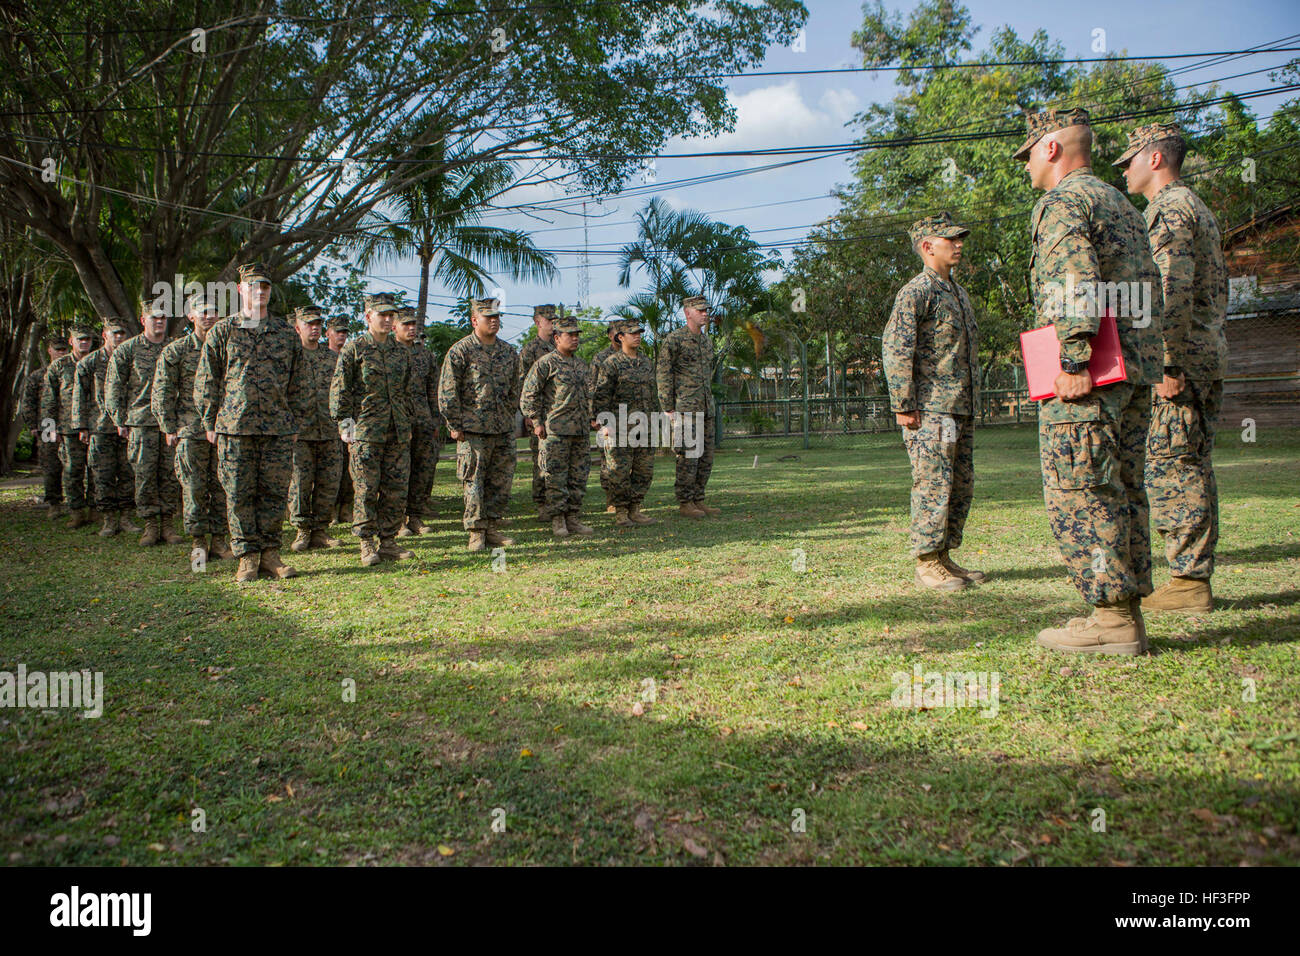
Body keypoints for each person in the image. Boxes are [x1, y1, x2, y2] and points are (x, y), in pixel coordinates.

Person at [1018, 108, 1164, 656]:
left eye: (1030, 152)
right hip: (1133, 371)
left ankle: (1110, 617)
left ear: (1051, 148)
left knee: (1082, 490)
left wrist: (1074, 361)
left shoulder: (1063, 203)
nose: (1027, 165)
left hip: (1093, 375)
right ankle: (1124, 612)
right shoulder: (1121, 203)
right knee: (1123, 487)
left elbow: (1074, 281)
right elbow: (1147, 292)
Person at [1116, 122, 1229, 615]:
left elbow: (1171, 289)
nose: (1123, 168)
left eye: (1130, 158)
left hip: (1179, 361)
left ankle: (1187, 582)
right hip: (1200, 355)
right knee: (1190, 462)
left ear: (1155, 158)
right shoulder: (1194, 206)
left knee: (1173, 464)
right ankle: (1190, 577)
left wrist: (1164, 360)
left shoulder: (1169, 210)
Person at [883, 212, 984, 591]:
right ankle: (926, 561)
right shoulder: (916, 292)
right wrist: (903, 403)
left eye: (960, 238)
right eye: (950, 239)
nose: (959, 244)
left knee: (960, 484)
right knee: (933, 483)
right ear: (928, 247)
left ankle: (943, 554)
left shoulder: (957, 292)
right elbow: (896, 348)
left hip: (960, 404)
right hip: (931, 408)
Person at [195, 262, 311, 583]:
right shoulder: (223, 331)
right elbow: (207, 380)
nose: (260, 292)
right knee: (238, 493)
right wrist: (209, 421)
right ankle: (247, 556)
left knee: (274, 492)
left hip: (277, 428)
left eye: (265, 287)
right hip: (235, 428)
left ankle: (271, 555)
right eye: (254, 286)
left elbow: (300, 382)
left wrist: (295, 421)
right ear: (240, 291)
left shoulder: (286, 334)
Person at [329, 293, 413, 566]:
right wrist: (345, 425)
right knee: (366, 489)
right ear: (368, 317)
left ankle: (388, 541)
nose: (388, 320)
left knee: (395, 489)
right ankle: (366, 542)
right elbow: (341, 389)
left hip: (397, 430)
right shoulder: (354, 349)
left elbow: (406, 390)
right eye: (382, 315)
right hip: (365, 431)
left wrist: (407, 421)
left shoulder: (401, 351)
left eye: (391, 316)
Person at [437, 297, 521, 552]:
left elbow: (515, 389)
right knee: (474, 481)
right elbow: (447, 392)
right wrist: (455, 423)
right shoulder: (461, 351)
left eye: (497, 317)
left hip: (502, 428)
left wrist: (508, 415)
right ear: (475, 320)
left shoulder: (508, 352)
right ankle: (476, 532)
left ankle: (492, 528)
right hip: (472, 430)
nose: (494, 321)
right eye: (488, 317)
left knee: (500, 481)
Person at [153, 293, 231, 562]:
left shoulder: (228, 347)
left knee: (222, 486)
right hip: (190, 429)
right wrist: (168, 426)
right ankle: (198, 543)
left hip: (224, 428)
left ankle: (220, 541)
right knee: (194, 488)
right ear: (191, 316)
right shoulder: (177, 350)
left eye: (213, 312)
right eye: (203, 312)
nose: (209, 316)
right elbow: (163, 390)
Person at [107, 301, 183, 546]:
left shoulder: (175, 348)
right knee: (145, 475)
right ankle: (150, 524)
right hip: (141, 421)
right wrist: (119, 419)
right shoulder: (127, 350)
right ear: (143, 320)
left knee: (170, 475)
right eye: (154, 317)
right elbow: (114, 386)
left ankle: (169, 525)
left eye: (163, 317)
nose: (159, 321)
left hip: (171, 422)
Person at [521, 314, 596, 538]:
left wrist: (592, 418)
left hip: (580, 431)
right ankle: (558, 519)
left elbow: (589, 395)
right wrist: (536, 421)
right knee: (555, 477)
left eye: (576, 335)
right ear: (557, 338)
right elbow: (528, 395)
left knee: (578, 477)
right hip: (555, 431)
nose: (574, 339)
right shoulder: (545, 363)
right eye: (569, 335)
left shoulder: (582, 365)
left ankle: (573, 517)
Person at [73, 320, 139, 536]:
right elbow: (79, 395)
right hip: (100, 426)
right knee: (103, 474)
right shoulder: (90, 362)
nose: (119, 337)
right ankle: (108, 519)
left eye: (122, 333)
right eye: (114, 334)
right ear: (104, 335)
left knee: (128, 472)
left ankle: (127, 517)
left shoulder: (131, 358)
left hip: (128, 425)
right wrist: (81, 425)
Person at [591, 320, 658, 528]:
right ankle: (620, 511)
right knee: (619, 470)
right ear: (620, 337)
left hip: (645, 425)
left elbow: (653, 395)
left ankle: (635, 509)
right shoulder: (611, 364)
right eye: (632, 333)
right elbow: (601, 395)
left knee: (644, 470)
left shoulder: (647, 363)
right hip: (619, 425)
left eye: (639, 333)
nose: (637, 336)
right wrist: (604, 423)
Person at [656, 295, 718, 518]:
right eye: (700, 310)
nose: (705, 313)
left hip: (706, 406)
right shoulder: (675, 340)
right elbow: (664, 372)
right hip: (685, 408)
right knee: (688, 456)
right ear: (687, 313)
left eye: (706, 310)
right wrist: (668, 407)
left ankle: (699, 499)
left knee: (706, 457)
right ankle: (685, 502)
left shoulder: (706, 341)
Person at [287, 306, 343, 553]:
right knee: (300, 482)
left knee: (328, 481)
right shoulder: (289, 356)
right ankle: (302, 530)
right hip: (299, 432)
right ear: (298, 327)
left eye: (318, 324)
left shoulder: (331, 358)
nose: (315, 328)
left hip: (329, 430)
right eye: (309, 324)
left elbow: (343, 392)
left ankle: (321, 530)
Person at [41, 326, 95, 528]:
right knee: (73, 470)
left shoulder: (98, 361)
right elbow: (49, 400)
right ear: (72, 341)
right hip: (68, 427)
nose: (84, 342)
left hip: (95, 425)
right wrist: (50, 429)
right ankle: (76, 512)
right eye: (80, 339)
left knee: (97, 470)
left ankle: (95, 509)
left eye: (88, 339)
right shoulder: (59, 366)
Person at [394, 307, 440, 537]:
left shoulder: (426, 356)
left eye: (414, 325)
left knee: (421, 470)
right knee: (399, 472)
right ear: (395, 327)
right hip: (396, 422)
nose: (411, 329)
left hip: (422, 420)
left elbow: (433, 390)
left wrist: (435, 420)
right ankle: (398, 519)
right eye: (406, 325)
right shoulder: (389, 353)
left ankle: (415, 517)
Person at [518, 304, 557, 520]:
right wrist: (528, 415)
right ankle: (542, 503)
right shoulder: (530, 350)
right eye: (548, 320)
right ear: (537, 322)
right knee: (541, 461)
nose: (552, 324)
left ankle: (558, 502)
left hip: (559, 415)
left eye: (554, 320)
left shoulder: (559, 346)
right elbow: (522, 384)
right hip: (539, 415)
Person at [23, 335, 68, 517]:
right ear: (49, 350)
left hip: (69, 424)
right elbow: (29, 402)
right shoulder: (37, 376)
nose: (61, 353)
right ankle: (54, 503)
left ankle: (80, 503)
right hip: (47, 425)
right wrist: (33, 425)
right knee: (51, 464)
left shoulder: (74, 371)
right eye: (58, 349)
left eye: (64, 349)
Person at [588, 318, 620, 514]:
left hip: (632, 417)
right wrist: (595, 416)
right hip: (608, 416)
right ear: (610, 335)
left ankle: (627, 501)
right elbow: (593, 387)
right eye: (617, 332)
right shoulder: (601, 358)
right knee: (608, 460)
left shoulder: (635, 357)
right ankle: (611, 498)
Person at [325, 316, 354, 525]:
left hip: (348, 419)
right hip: (324, 421)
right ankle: (330, 510)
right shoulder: (322, 357)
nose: (342, 335)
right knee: (330, 470)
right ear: (328, 333)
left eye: (344, 332)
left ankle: (346, 508)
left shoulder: (351, 356)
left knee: (348, 467)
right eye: (338, 331)